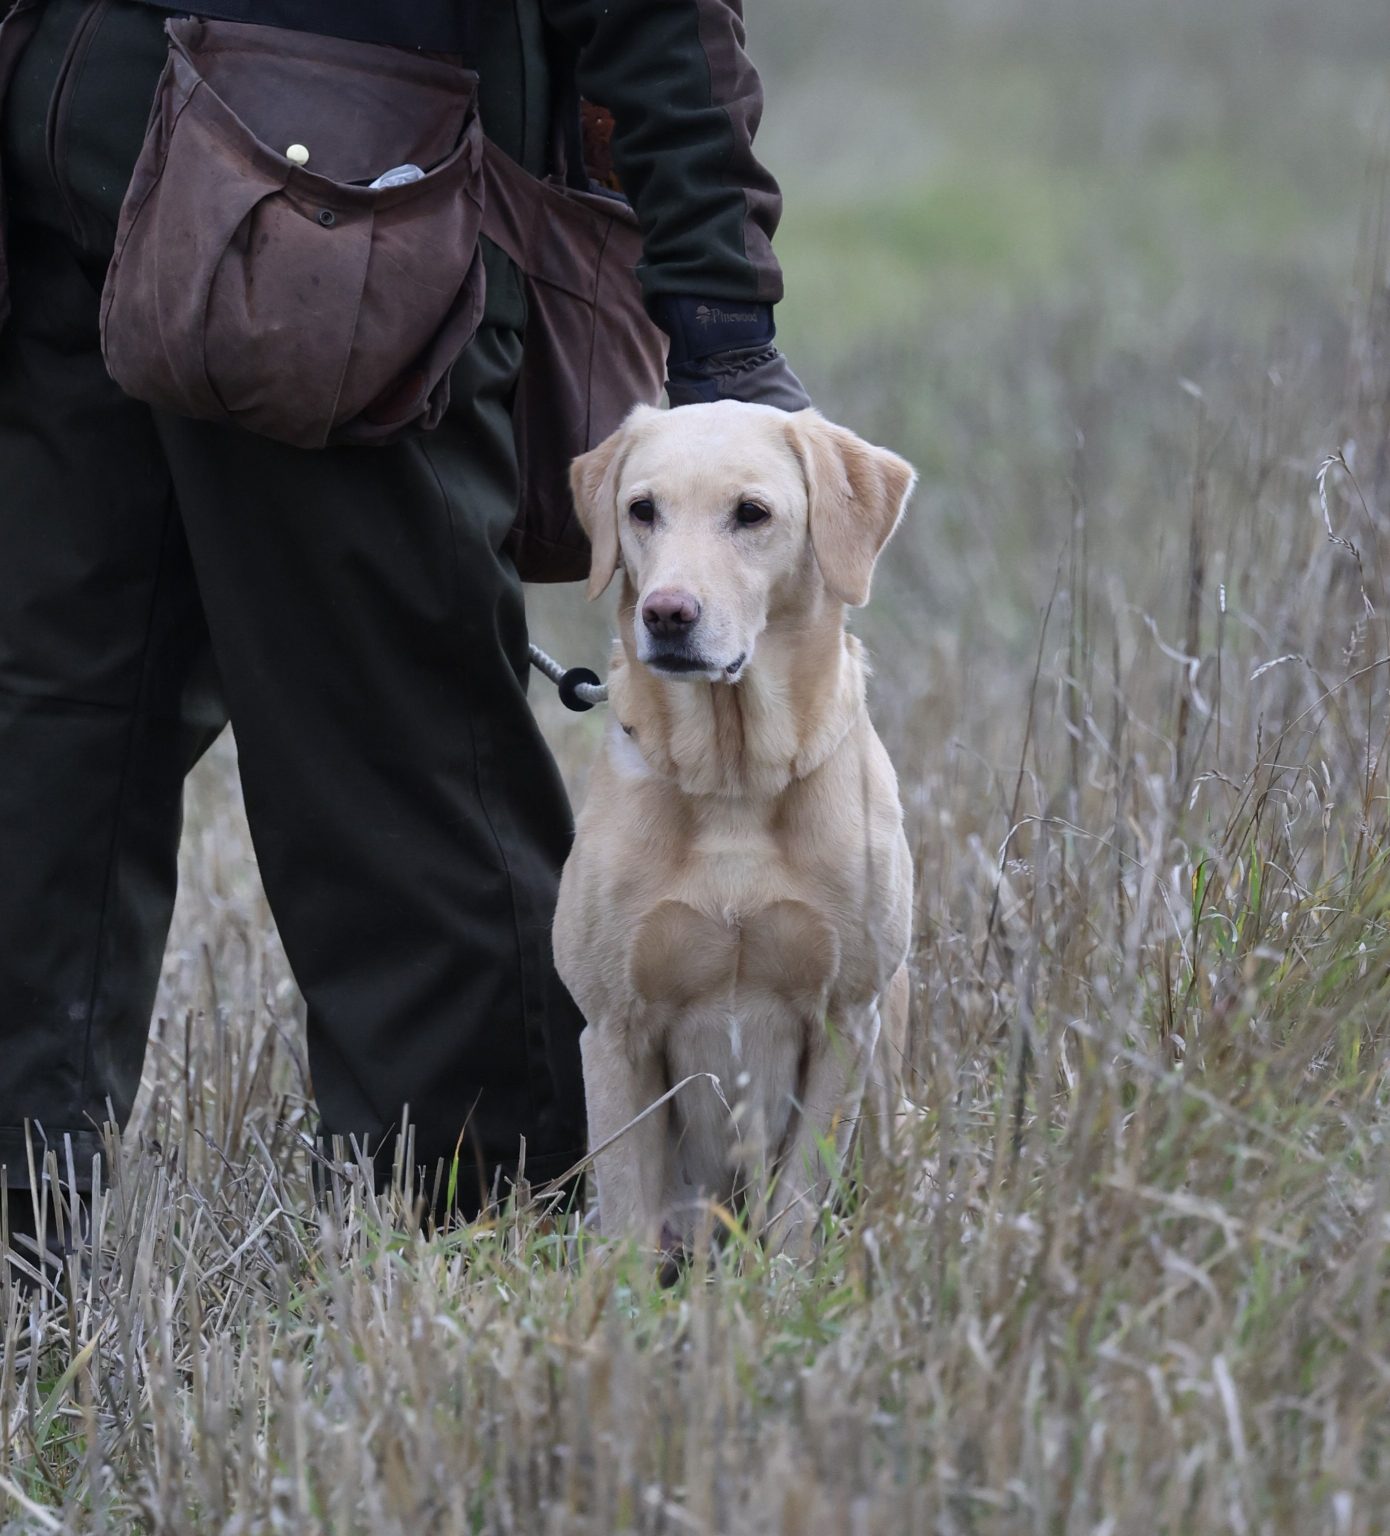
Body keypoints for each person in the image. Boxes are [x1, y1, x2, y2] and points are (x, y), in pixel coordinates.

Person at [0, 0, 807, 1273]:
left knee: (48, 740)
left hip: (95, 128)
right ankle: (500, 1253)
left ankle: (29, 1263)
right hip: (328, 193)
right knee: (389, 757)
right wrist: (722, 319)